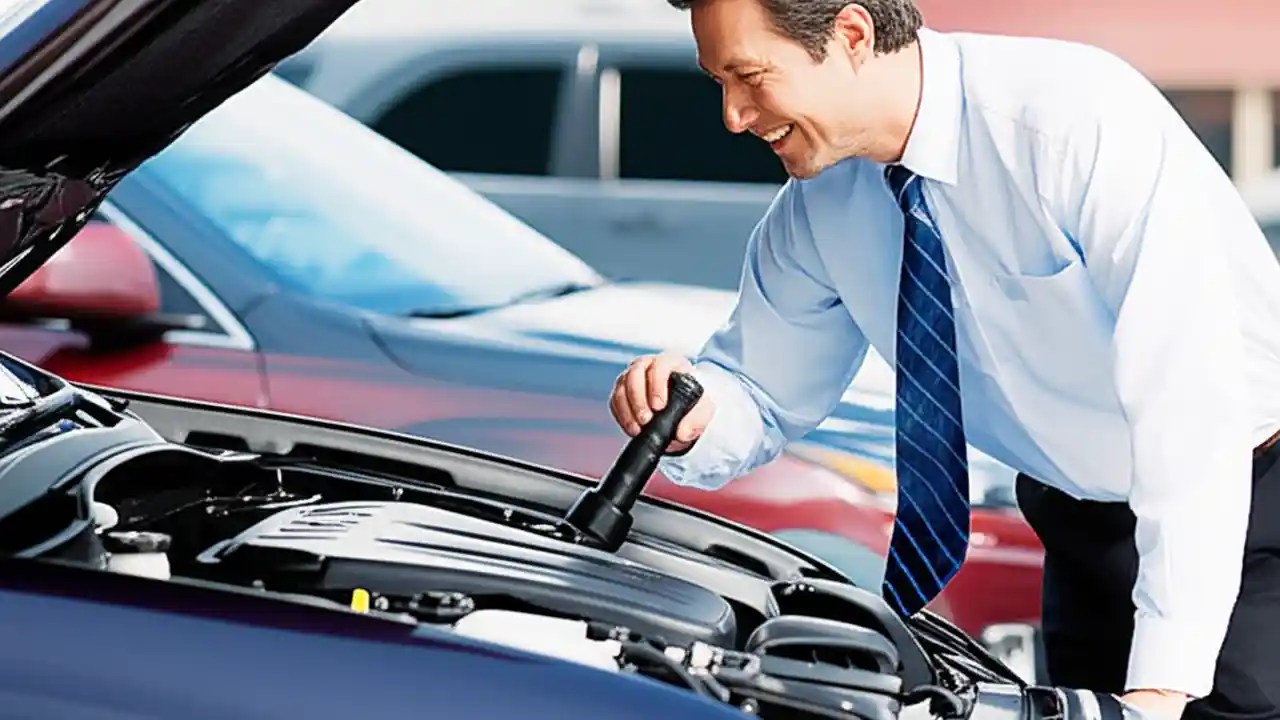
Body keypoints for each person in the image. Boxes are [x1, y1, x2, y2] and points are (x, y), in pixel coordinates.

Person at [607, 0, 1280, 718]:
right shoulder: (819, 209)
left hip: (1246, 507)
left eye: (750, 76)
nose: (733, 116)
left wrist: (1162, 684)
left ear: (852, 34)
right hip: (1082, 527)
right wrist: (698, 414)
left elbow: (1189, 402)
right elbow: (761, 392)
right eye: (719, 83)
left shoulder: (1073, 125)